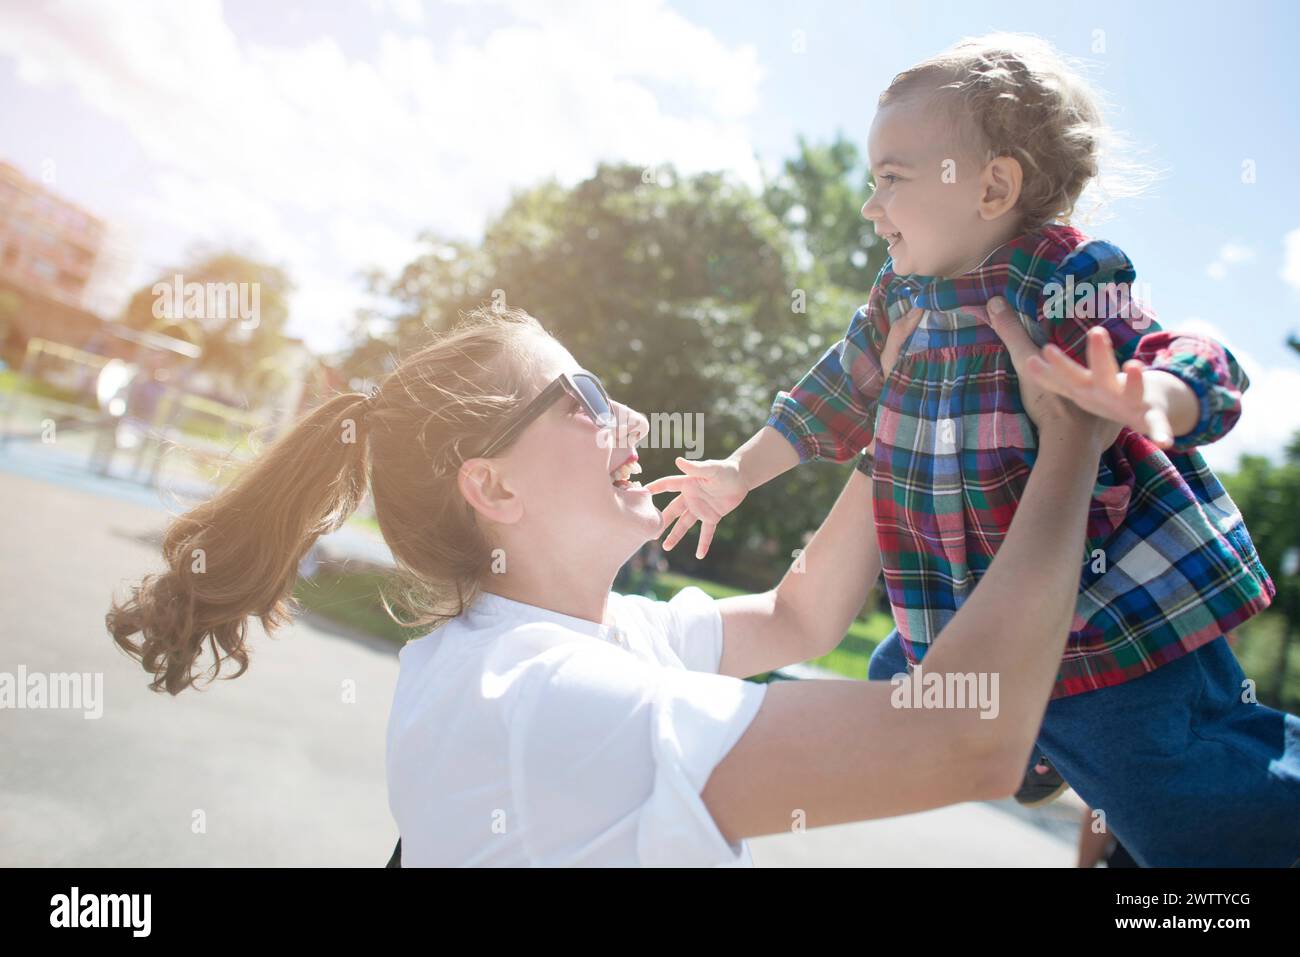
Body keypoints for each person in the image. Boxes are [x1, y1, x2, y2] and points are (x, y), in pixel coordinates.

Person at [109, 301, 1119, 867]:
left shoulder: (574, 642)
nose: (628, 415)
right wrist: (1071, 450)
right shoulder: (535, 696)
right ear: (492, 486)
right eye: (582, 397)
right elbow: (967, 743)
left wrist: (899, 408)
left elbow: (800, 616)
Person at [649, 34, 1300, 866]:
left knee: (1192, 820)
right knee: (897, 707)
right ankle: (1030, 744)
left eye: (892, 178)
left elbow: (1185, 352)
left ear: (991, 186)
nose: (869, 204)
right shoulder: (898, 299)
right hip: (953, 614)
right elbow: (829, 397)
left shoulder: (1054, 276)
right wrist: (739, 471)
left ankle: (1115, 763)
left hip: (1095, 627)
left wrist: (1150, 397)